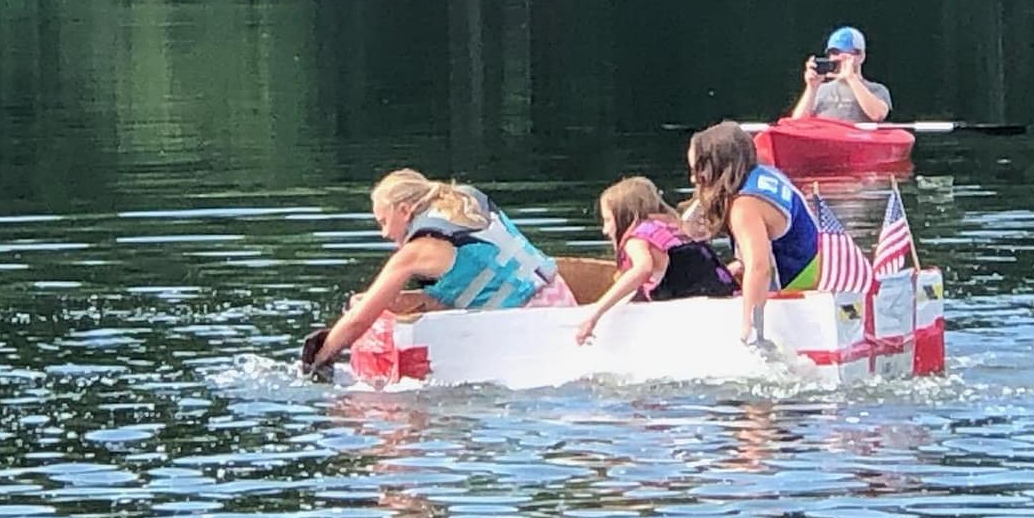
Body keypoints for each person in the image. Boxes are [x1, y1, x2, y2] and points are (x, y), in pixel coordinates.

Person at [304, 169, 576, 371]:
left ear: (405, 210)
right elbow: (476, 282)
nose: (384, 233)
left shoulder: (416, 251)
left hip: (530, 327)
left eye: (384, 222)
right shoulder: (466, 199)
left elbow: (358, 321)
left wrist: (319, 357)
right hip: (561, 300)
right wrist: (397, 302)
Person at [686, 121, 823, 344]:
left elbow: (759, 268)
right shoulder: (764, 174)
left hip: (800, 288)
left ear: (719, 164)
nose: (693, 179)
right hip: (821, 267)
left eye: (698, 170)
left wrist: (748, 326)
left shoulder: (744, 206)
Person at [573, 177, 737, 345]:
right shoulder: (675, 226)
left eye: (608, 220)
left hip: (700, 313)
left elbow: (643, 269)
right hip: (728, 296)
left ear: (625, 216)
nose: (605, 230)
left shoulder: (637, 239)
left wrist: (596, 313)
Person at [790, 25, 891, 122]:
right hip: (826, 133)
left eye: (848, 53)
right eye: (835, 52)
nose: (840, 58)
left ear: (861, 56)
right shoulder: (820, 90)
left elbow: (878, 115)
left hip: (856, 134)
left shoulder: (876, 89)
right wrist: (811, 88)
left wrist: (852, 78)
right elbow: (797, 123)